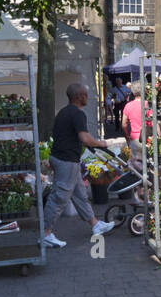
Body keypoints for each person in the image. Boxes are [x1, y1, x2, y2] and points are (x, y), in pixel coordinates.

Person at [43, 83, 115, 248]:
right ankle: (46, 233)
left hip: (62, 158)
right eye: (85, 94)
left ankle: (95, 224)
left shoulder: (63, 112)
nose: (87, 97)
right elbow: (85, 138)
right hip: (66, 161)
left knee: (80, 194)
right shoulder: (77, 114)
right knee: (59, 197)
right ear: (79, 96)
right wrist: (101, 143)